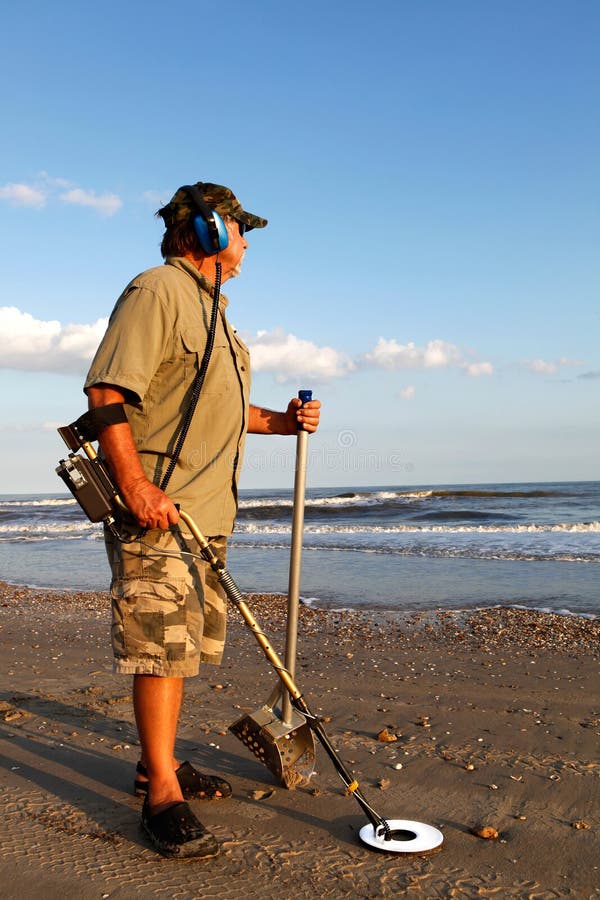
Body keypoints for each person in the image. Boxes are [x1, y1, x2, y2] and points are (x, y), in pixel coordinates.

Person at [84, 181, 321, 859]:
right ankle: (162, 792)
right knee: (159, 646)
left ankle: (152, 763)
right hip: (159, 510)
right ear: (211, 231)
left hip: (205, 517)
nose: (247, 245)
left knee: (180, 649)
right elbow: (108, 392)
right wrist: (133, 482)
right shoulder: (157, 290)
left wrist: (279, 421)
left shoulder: (216, 314)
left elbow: (218, 407)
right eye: (242, 231)